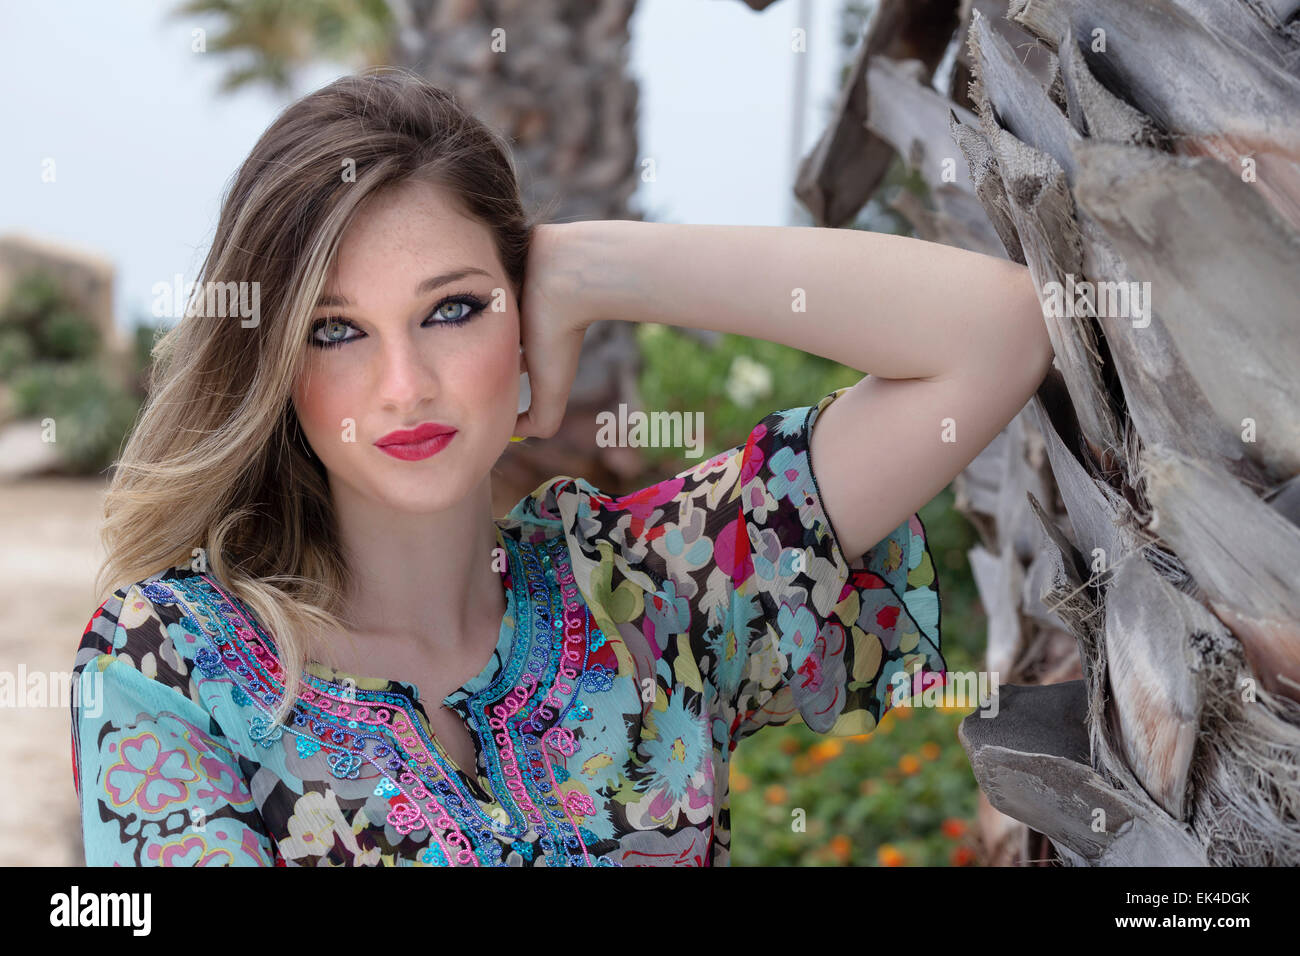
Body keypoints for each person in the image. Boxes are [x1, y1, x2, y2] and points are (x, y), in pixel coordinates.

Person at [70, 67, 1053, 867]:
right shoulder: (176, 661)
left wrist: (597, 269)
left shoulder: (654, 591)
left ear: (524, 312)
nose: (404, 385)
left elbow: (998, 331)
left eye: (452, 308)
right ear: (276, 365)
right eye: (336, 330)